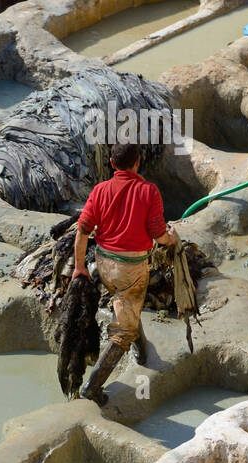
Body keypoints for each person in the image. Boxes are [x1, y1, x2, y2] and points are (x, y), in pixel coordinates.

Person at [73, 141, 179, 405]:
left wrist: (79, 267)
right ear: (137, 162)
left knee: (127, 306)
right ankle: (93, 387)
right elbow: (158, 233)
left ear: (111, 164)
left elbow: (83, 230)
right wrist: (172, 239)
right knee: (123, 329)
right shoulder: (148, 191)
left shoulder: (99, 190)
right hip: (131, 268)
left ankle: (141, 352)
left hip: (103, 263)